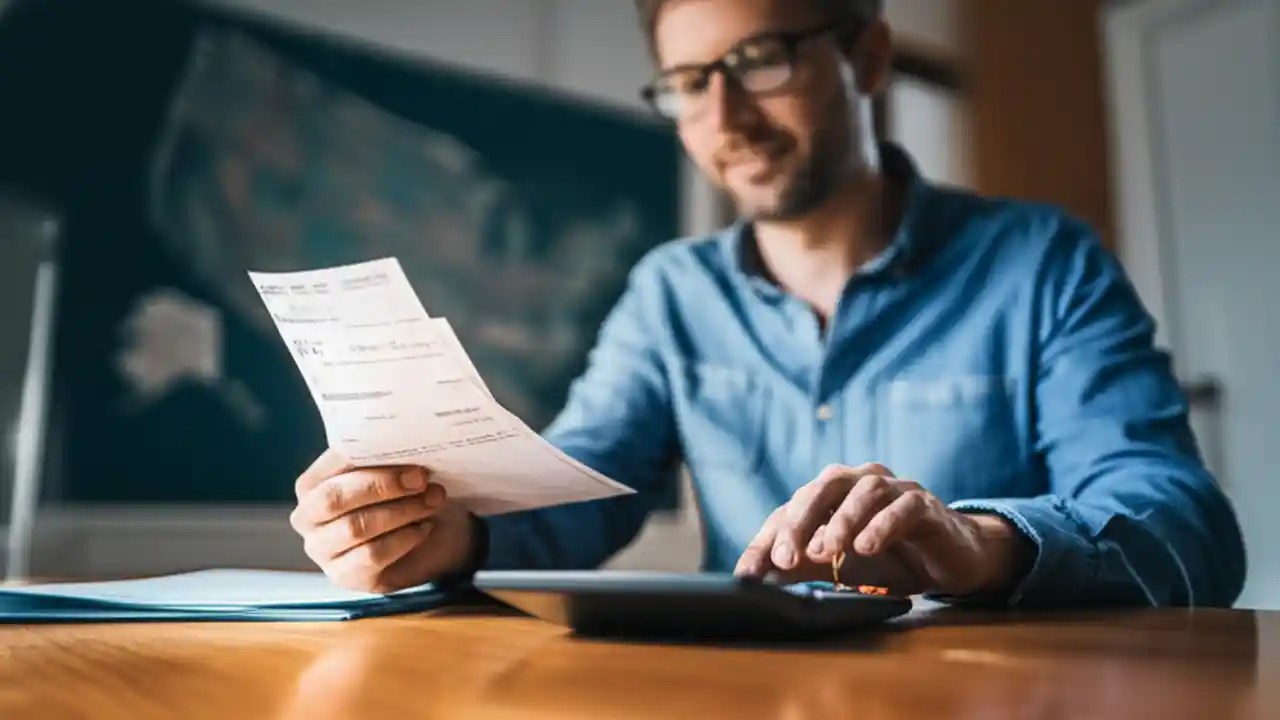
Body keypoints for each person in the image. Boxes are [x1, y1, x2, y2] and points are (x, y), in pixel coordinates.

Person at [288, 0, 1246, 606]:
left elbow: (1183, 524)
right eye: (690, 83)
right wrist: (443, 530)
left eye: (760, 61)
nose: (725, 119)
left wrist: (978, 543)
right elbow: (576, 494)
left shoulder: (1043, 262)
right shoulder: (671, 292)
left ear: (867, 58)